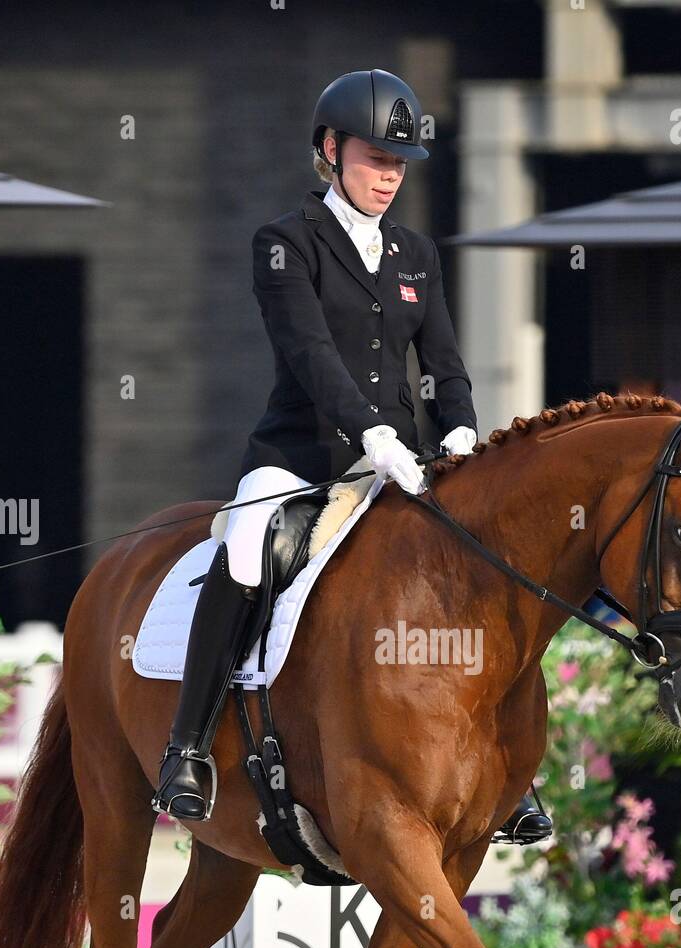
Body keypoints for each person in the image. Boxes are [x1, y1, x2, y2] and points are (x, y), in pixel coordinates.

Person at [152, 68, 551, 845]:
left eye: (398, 164)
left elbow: (442, 357)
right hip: (300, 453)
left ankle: (513, 774)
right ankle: (188, 749)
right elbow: (308, 354)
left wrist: (463, 427)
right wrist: (371, 435)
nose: (388, 177)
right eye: (374, 159)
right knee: (242, 552)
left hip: (402, 461)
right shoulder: (285, 243)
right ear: (329, 151)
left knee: (474, 571)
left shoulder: (413, 254)